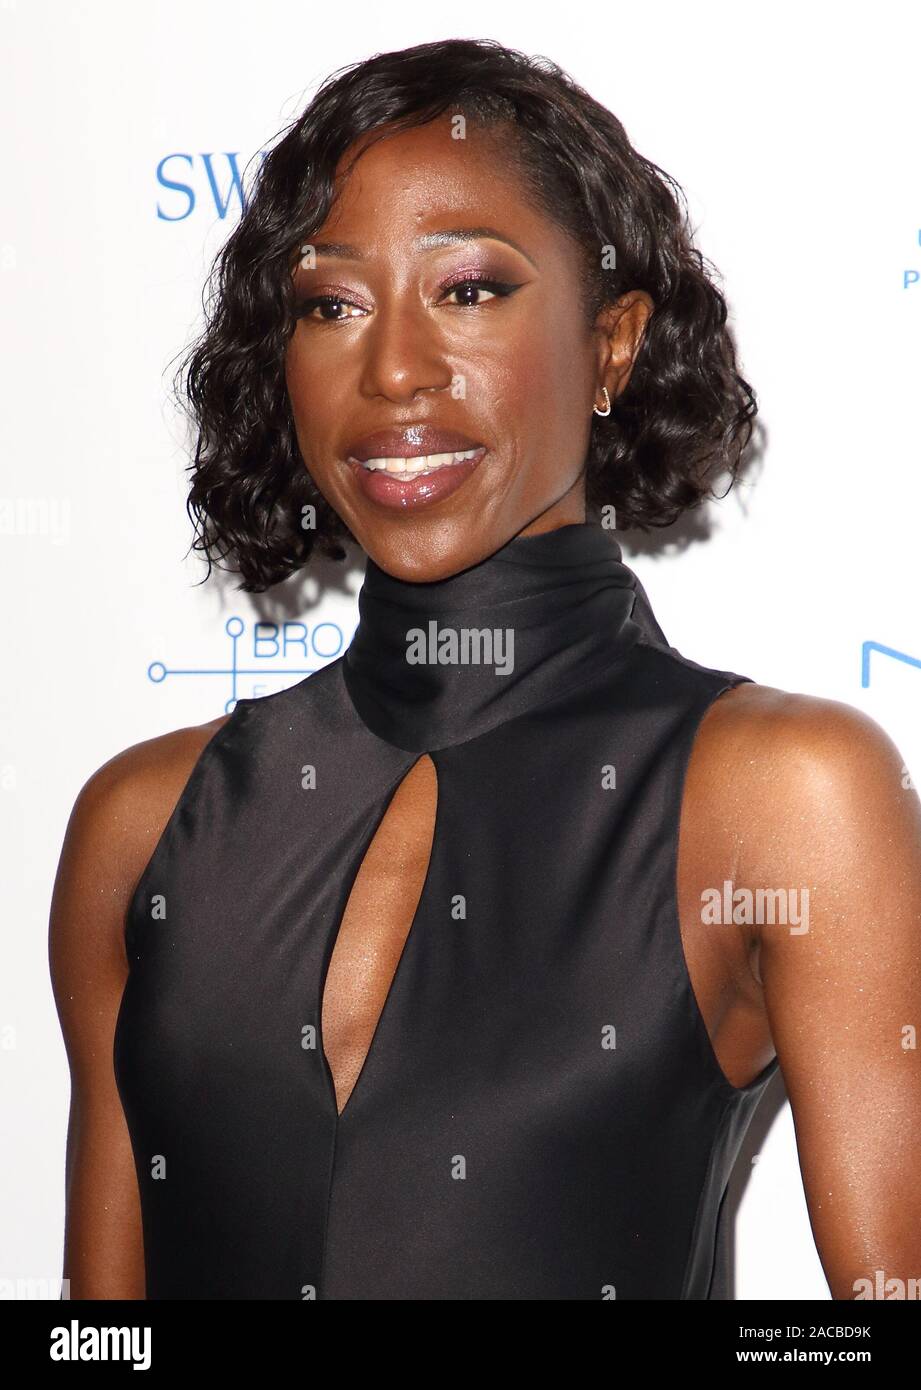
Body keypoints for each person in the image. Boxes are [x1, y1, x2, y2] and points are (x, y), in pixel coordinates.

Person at [50, 37, 921, 1300]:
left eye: (468, 289)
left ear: (613, 344)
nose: (394, 369)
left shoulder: (782, 797)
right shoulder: (143, 827)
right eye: (330, 304)